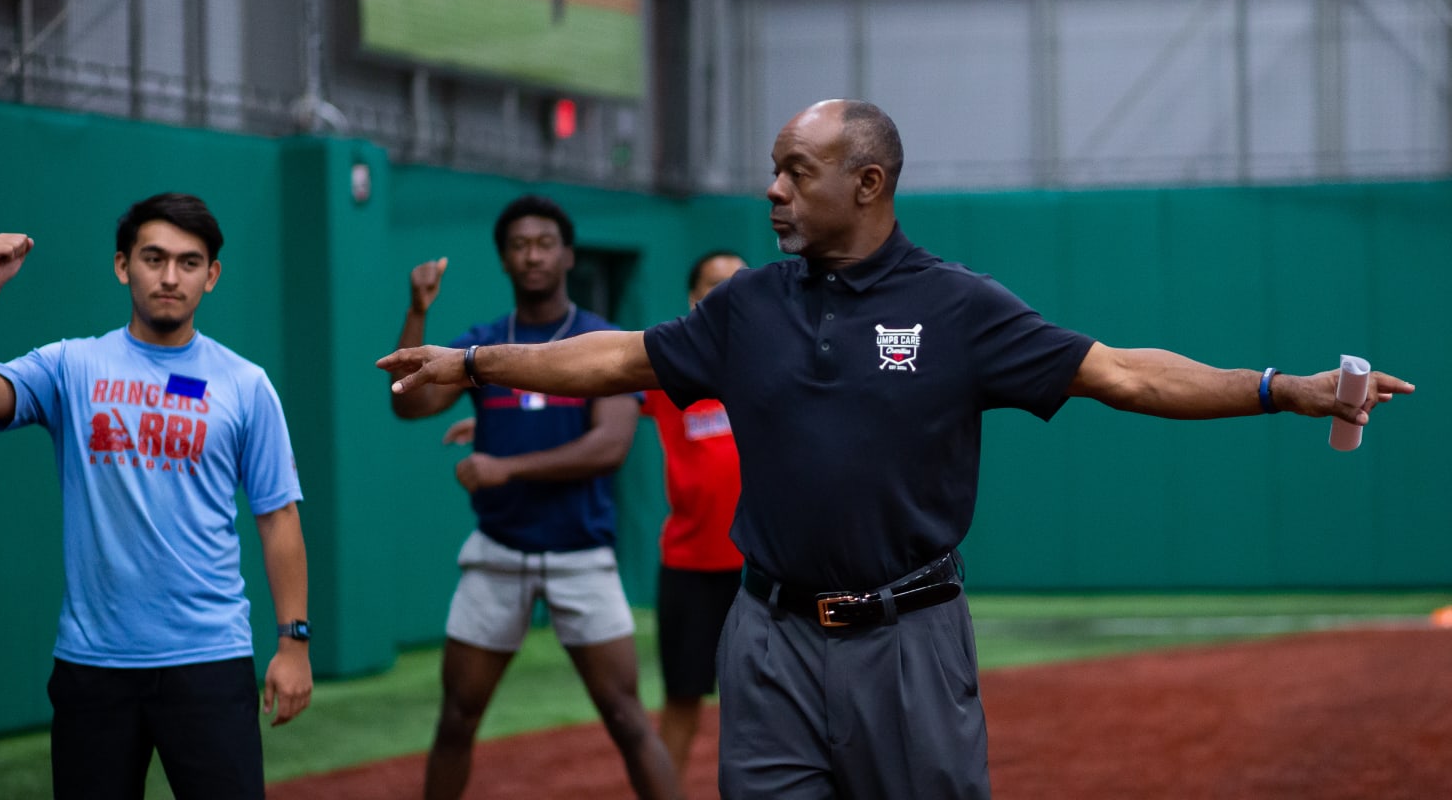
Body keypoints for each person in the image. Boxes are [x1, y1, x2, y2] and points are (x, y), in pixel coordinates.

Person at [377, 100, 1415, 800]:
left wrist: (1283, 390)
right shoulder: (746, 306)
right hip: (770, 636)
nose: (774, 191)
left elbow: (1126, 374)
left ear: (866, 184)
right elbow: (615, 360)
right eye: (773, 172)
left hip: (907, 642)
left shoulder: (959, 308)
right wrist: (475, 365)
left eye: (796, 172)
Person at [0, 192, 312, 799]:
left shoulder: (246, 385)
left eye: (189, 262)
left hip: (209, 660)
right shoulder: (71, 366)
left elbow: (278, 518)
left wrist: (293, 643)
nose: (170, 277)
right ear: (123, 266)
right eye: (153, 258)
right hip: (94, 667)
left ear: (211, 276)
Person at [386, 194, 680, 800]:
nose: (532, 255)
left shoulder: (603, 340)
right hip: (498, 554)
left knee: (627, 719)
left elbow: (609, 448)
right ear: (502, 259)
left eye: (545, 243)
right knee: (456, 719)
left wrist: (507, 468)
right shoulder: (484, 345)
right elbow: (408, 401)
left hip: (581, 555)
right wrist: (418, 311)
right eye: (519, 246)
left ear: (568, 255)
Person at [642, 250, 747, 781]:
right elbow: (593, 398)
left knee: (767, 711)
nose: (727, 293)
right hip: (689, 566)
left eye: (738, 283)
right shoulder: (668, 368)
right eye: (714, 284)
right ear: (693, 298)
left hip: (764, 571)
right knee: (682, 703)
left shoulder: (775, 363)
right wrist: (500, 430)